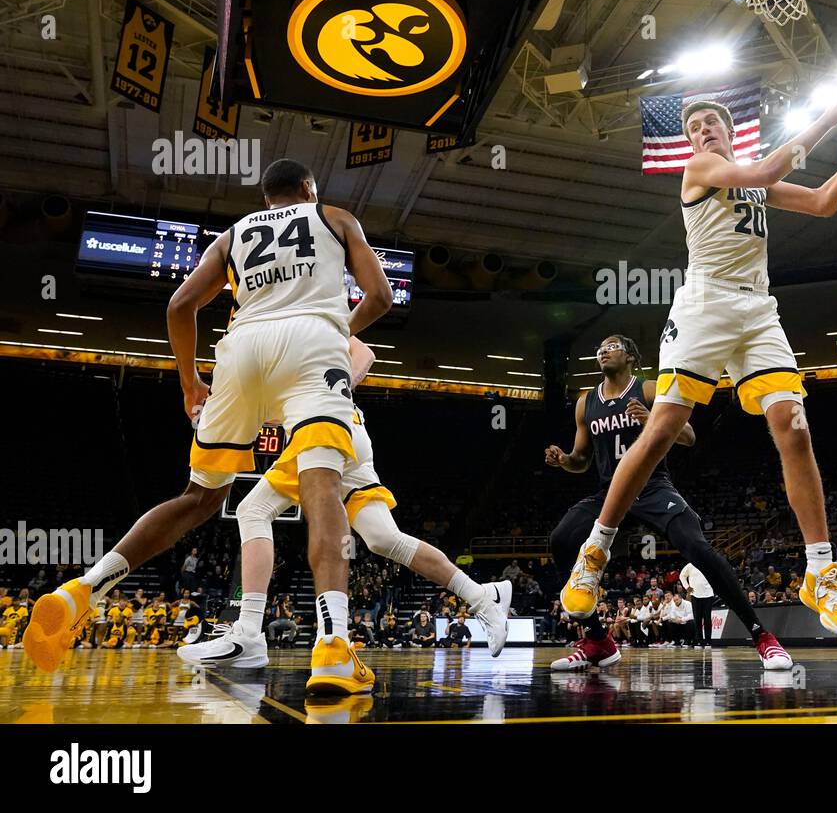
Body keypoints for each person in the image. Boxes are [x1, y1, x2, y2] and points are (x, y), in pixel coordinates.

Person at [25, 159, 393, 698]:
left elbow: (179, 305)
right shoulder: (335, 217)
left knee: (198, 498)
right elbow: (380, 296)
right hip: (313, 346)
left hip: (240, 352)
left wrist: (189, 383)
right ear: (309, 190)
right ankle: (334, 646)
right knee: (320, 486)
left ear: (268, 199)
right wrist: (337, 330)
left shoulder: (235, 234)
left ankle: (84, 588)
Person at [559, 89, 837, 640]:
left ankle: (820, 570)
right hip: (705, 303)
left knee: (794, 426)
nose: (702, 131)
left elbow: (824, 203)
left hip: (757, 308)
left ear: (730, 129)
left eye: (712, 122)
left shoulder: (752, 184)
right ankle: (594, 551)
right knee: (664, 426)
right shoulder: (702, 167)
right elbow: (765, 168)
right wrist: (834, 112)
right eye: (694, 127)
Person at [178, 336, 511, 669]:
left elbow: (364, 351)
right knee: (384, 539)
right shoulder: (279, 334)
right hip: (347, 435)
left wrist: (338, 389)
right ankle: (483, 598)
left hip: (325, 431)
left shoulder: (299, 309)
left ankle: (249, 632)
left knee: (253, 510)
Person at [545, 334, 791, 671]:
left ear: (631, 356)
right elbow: (581, 459)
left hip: (652, 486)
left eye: (612, 346)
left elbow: (688, 436)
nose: (603, 351)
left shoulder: (647, 389)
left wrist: (651, 420)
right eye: (599, 347)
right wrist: (564, 460)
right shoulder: (585, 402)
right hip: (610, 491)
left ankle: (762, 637)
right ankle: (598, 640)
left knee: (697, 548)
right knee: (561, 540)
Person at [679, 561, 716, 648]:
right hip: (695, 595)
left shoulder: (709, 564)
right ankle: (699, 641)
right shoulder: (690, 565)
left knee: (707, 618)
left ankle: (708, 641)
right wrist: (687, 587)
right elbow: (682, 576)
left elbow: (715, 576)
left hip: (708, 595)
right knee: (697, 619)